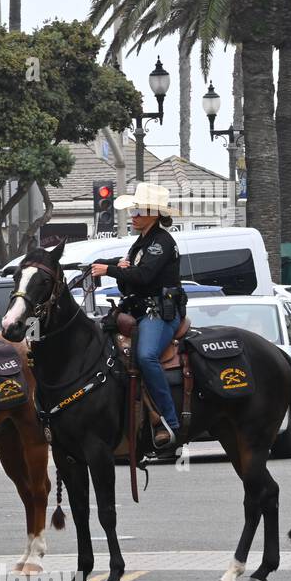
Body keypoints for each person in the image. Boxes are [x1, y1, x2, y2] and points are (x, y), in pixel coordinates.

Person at [91, 182, 185, 450]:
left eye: (139, 211)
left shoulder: (161, 243)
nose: (132, 216)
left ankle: (169, 420)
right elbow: (132, 283)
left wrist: (110, 269)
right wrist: (122, 269)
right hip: (140, 311)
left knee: (145, 356)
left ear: (154, 214)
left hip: (160, 313)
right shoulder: (141, 243)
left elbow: (144, 276)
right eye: (133, 211)